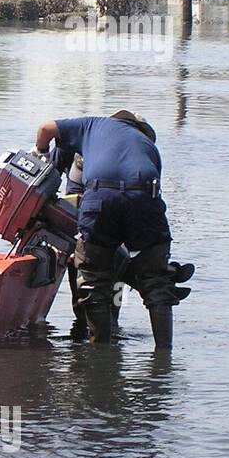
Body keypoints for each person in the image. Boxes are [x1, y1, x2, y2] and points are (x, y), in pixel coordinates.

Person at [35, 110, 182, 348]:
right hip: (145, 197)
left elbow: (45, 128)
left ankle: (100, 351)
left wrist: (40, 152)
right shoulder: (149, 148)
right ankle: (165, 352)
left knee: (93, 278)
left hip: (99, 199)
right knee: (157, 280)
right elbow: (148, 197)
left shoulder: (92, 125)